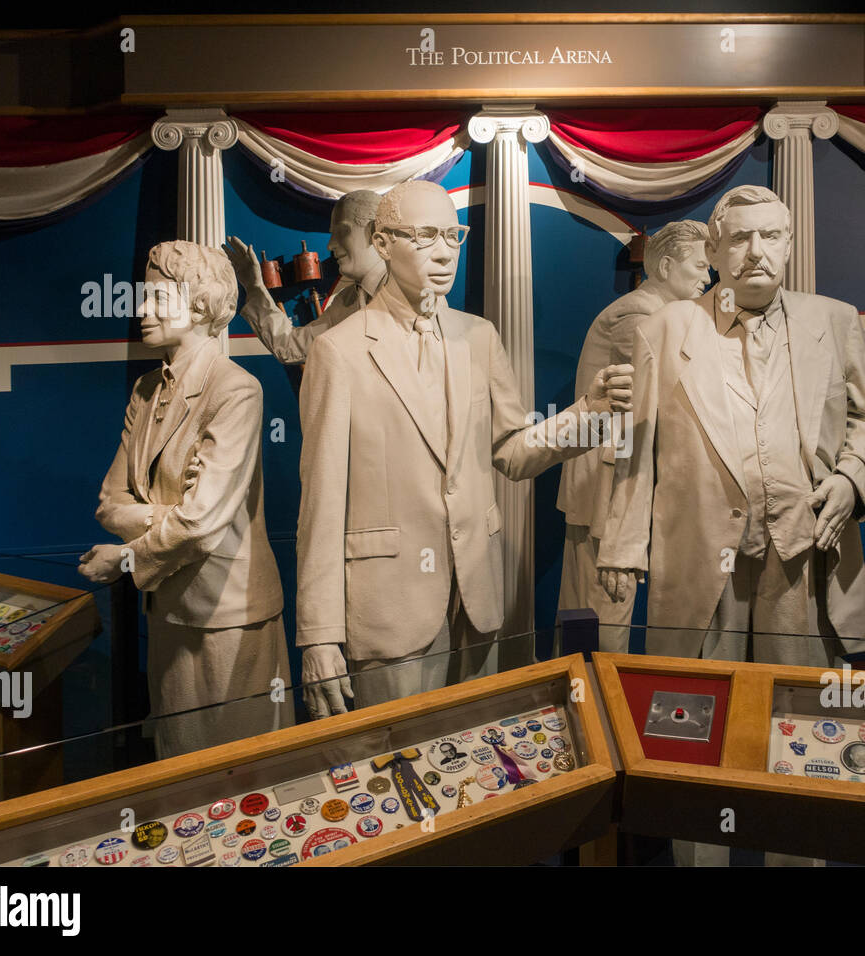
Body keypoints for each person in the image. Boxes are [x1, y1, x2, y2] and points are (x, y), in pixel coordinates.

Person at [597, 184, 865, 867]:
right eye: (739, 238)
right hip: (701, 561)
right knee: (697, 734)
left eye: (771, 236)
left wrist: (852, 477)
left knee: (801, 735)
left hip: (805, 562)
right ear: (716, 249)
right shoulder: (666, 330)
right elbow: (634, 450)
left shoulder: (834, 320)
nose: (756, 251)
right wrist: (623, 546)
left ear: (789, 243)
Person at [296, 180, 633, 719]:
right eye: (425, 236)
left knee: (472, 755)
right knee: (394, 761)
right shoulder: (338, 352)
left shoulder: (477, 336)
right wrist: (318, 634)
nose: (445, 251)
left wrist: (585, 416)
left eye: (453, 235)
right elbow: (320, 502)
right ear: (382, 243)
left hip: (476, 596)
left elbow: (513, 453)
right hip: (389, 606)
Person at [80, 240, 292, 758]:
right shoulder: (147, 391)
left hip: (230, 617)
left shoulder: (235, 389)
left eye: (156, 297)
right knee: (181, 769)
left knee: (247, 777)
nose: (140, 309)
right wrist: (170, 516)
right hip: (169, 611)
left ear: (199, 305)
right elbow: (110, 501)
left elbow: (202, 522)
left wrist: (129, 555)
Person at [555, 220, 711, 651]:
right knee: (604, 606)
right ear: (664, 265)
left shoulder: (655, 314)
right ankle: (598, 703)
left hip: (616, 477)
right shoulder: (637, 316)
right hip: (608, 482)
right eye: (700, 265)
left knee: (590, 606)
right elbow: (664, 396)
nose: (708, 277)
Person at [223, 189, 388, 365]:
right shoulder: (347, 301)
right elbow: (291, 347)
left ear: (374, 232)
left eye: (342, 231)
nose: (331, 245)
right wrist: (254, 286)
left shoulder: (409, 294)